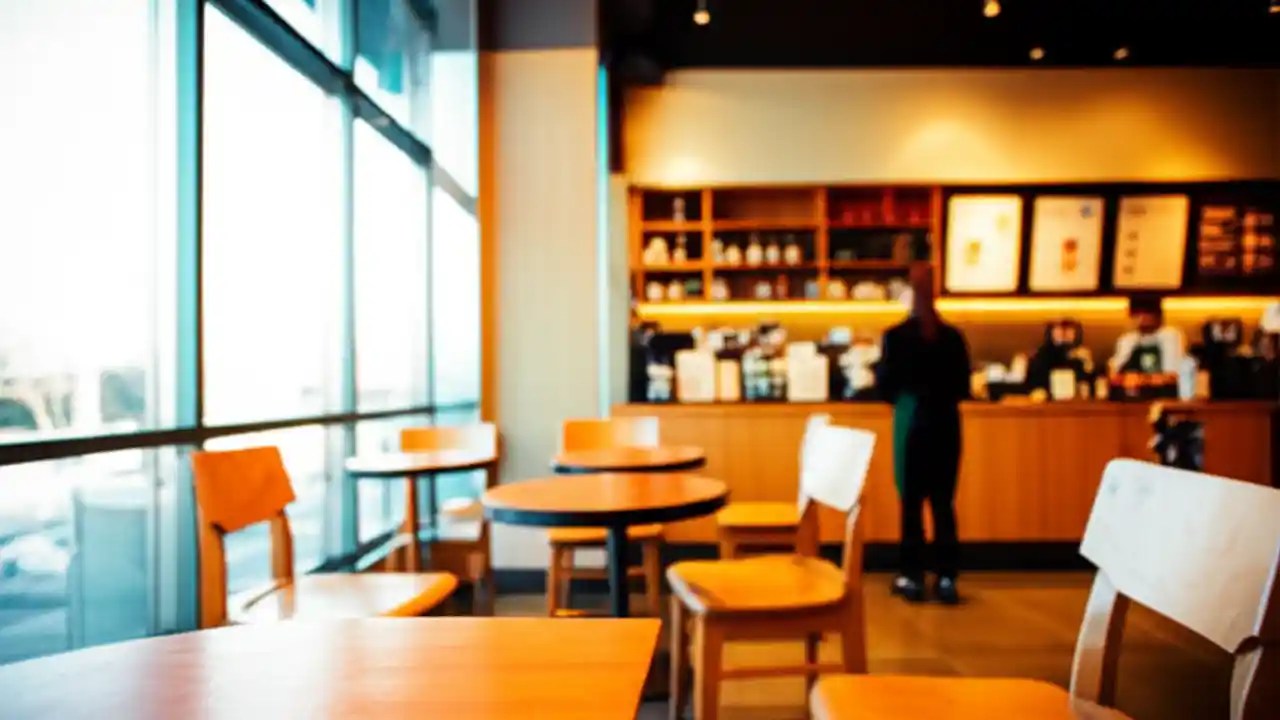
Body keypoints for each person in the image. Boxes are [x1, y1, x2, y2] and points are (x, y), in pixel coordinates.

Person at [875, 263, 971, 604]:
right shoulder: (953, 337)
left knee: (911, 503)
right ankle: (947, 577)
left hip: (911, 423)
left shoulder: (895, 337)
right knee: (944, 502)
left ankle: (911, 576)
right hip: (946, 423)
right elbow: (963, 387)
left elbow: (884, 387)